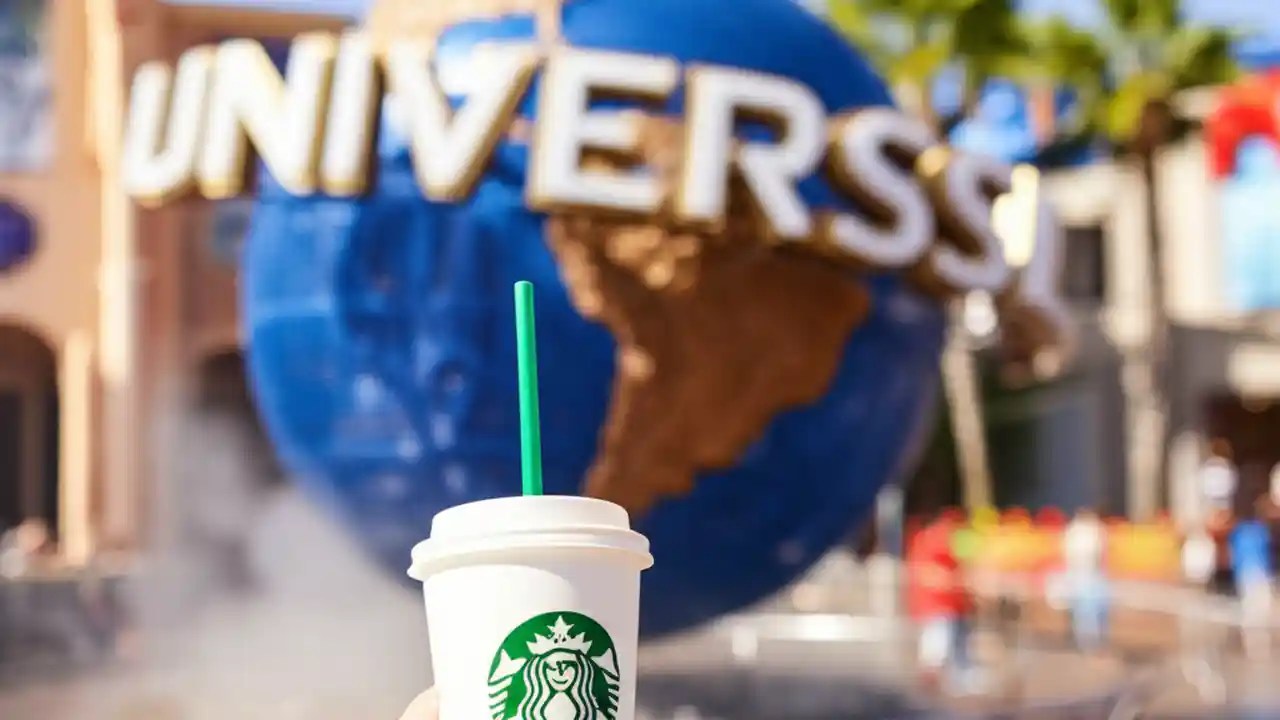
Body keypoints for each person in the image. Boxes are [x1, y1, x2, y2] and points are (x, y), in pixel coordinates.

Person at [906, 512, 974, 692]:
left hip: (949, 606)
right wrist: (953, 582)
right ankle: (932, 678)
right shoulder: (935, 541)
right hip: (938, 606)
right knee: (938, 645)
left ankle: (950, 678)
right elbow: (929, 573)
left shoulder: (931, 541)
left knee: (950, 645)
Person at [1061, 509, 1110, 653]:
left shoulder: (1091, 530)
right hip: (1082, 575)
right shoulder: (1077, 532)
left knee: (1092, 611)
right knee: (1084, 612)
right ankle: (1088, 643)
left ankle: (1092, 642)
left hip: (1091, 575)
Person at [1231, 501, 1274, 660]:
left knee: (1251, 604)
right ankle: (1256, 638)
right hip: (1258, 571)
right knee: (1259, 605)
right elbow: (1266, 552)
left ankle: (1252, 637)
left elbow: (1235, 554)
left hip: (1246, 571)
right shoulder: (1260, 530)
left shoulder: (1240, 531)